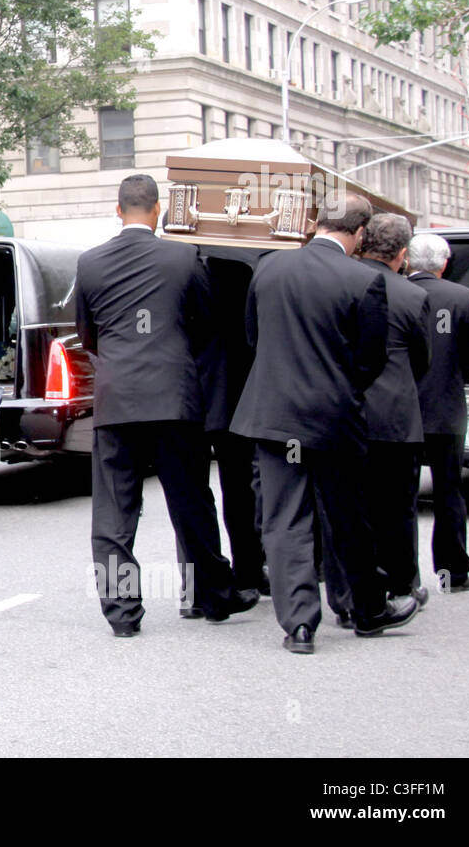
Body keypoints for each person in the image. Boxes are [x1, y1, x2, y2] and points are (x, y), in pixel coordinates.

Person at [231, 194, 419, 654]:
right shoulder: (362, 280)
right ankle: (363, 608)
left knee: (284, 518)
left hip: (274, 415)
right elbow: (369, 360)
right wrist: (338, 387)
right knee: (345, 517)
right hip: (332, 416)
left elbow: (253, 338)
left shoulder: (269, 268)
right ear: (358, 234)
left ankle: (298, 623)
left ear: (316, 224)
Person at [76, 174, 254, 638]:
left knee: (114, 510)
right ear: (157, 210)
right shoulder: (182, 256)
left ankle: (122, 615)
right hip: (174, 394)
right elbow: (206, 320)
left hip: (116, 397)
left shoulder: (90, 263)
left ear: (119, 210)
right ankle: (214, 596)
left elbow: (87, 332)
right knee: (191, 500)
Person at [186, 252, 267, 615]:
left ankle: (196, 588)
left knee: (191, 496)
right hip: (234, 391)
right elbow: (253, 333)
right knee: (239, 490)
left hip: (190, 394)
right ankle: (248, 572)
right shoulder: (238, 272)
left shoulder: (175, 267)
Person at [358, 213, 431, 616]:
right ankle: (402, 584)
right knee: (398, 507)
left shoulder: (343, 283)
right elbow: (422, 360)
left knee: (355, 504)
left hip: (349, 413)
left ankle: (359, 582)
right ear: (402, 254)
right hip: (397, 415)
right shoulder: (412, 296)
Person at [408, 232, 469, 593]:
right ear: (444, 263)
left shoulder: (393, 291)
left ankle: (403, 575)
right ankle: (452, 572)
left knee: (399, 496)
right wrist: (451, 379)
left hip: (402, 410)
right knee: (449, 492)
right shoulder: (459, 297)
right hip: (445, 408)